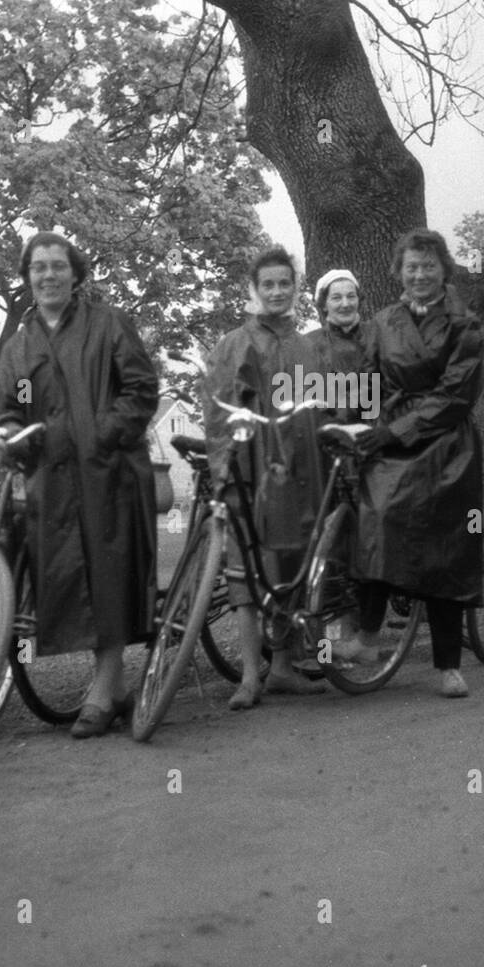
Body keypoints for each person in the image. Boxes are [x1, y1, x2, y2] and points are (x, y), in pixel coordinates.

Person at [0, 231, 160, 737]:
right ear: (26, 278)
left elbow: (140, 388)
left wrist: (103, 437)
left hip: (110, 474)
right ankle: (110, 691)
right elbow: (13, 407)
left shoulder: (107, 324)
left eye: (57, 266)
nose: (48, 275)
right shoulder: (20, 350)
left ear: (76, 273)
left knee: (109, 579)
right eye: (38, 268)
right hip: (54, 483)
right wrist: (6, 434)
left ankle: (103, 690)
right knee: (73, 581)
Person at [335, 228, 484, 698]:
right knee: (376, 519)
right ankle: (367, 637)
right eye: (411, 267)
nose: (419, 275)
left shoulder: (466, 323)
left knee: (446, 548)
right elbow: (367, 380)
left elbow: (456, 395)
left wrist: (392, 431)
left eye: (428, 266)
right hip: (389, 438)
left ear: (444, 270)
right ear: (398, 271)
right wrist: (345, 421)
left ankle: (448, 665)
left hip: (445, 445)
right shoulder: (383, 321)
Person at [203, 246, 330, 709]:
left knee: (290, 568)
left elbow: (323, 407)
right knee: (247, 570)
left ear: (296, 290)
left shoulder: (308, 347)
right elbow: (218, 412)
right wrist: (223, 466)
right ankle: (249, 677)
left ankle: (282, 669)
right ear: (254, 291)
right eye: (268, 285)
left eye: (285, 284)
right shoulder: (235, 344)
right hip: (252, 470)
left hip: (300, 474)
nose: (277, 292)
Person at [304, 268, 378, 423]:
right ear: (324, 305)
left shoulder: (378, 336)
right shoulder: (309, 344)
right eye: (336, 298)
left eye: (351, 296)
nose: (346, 304)